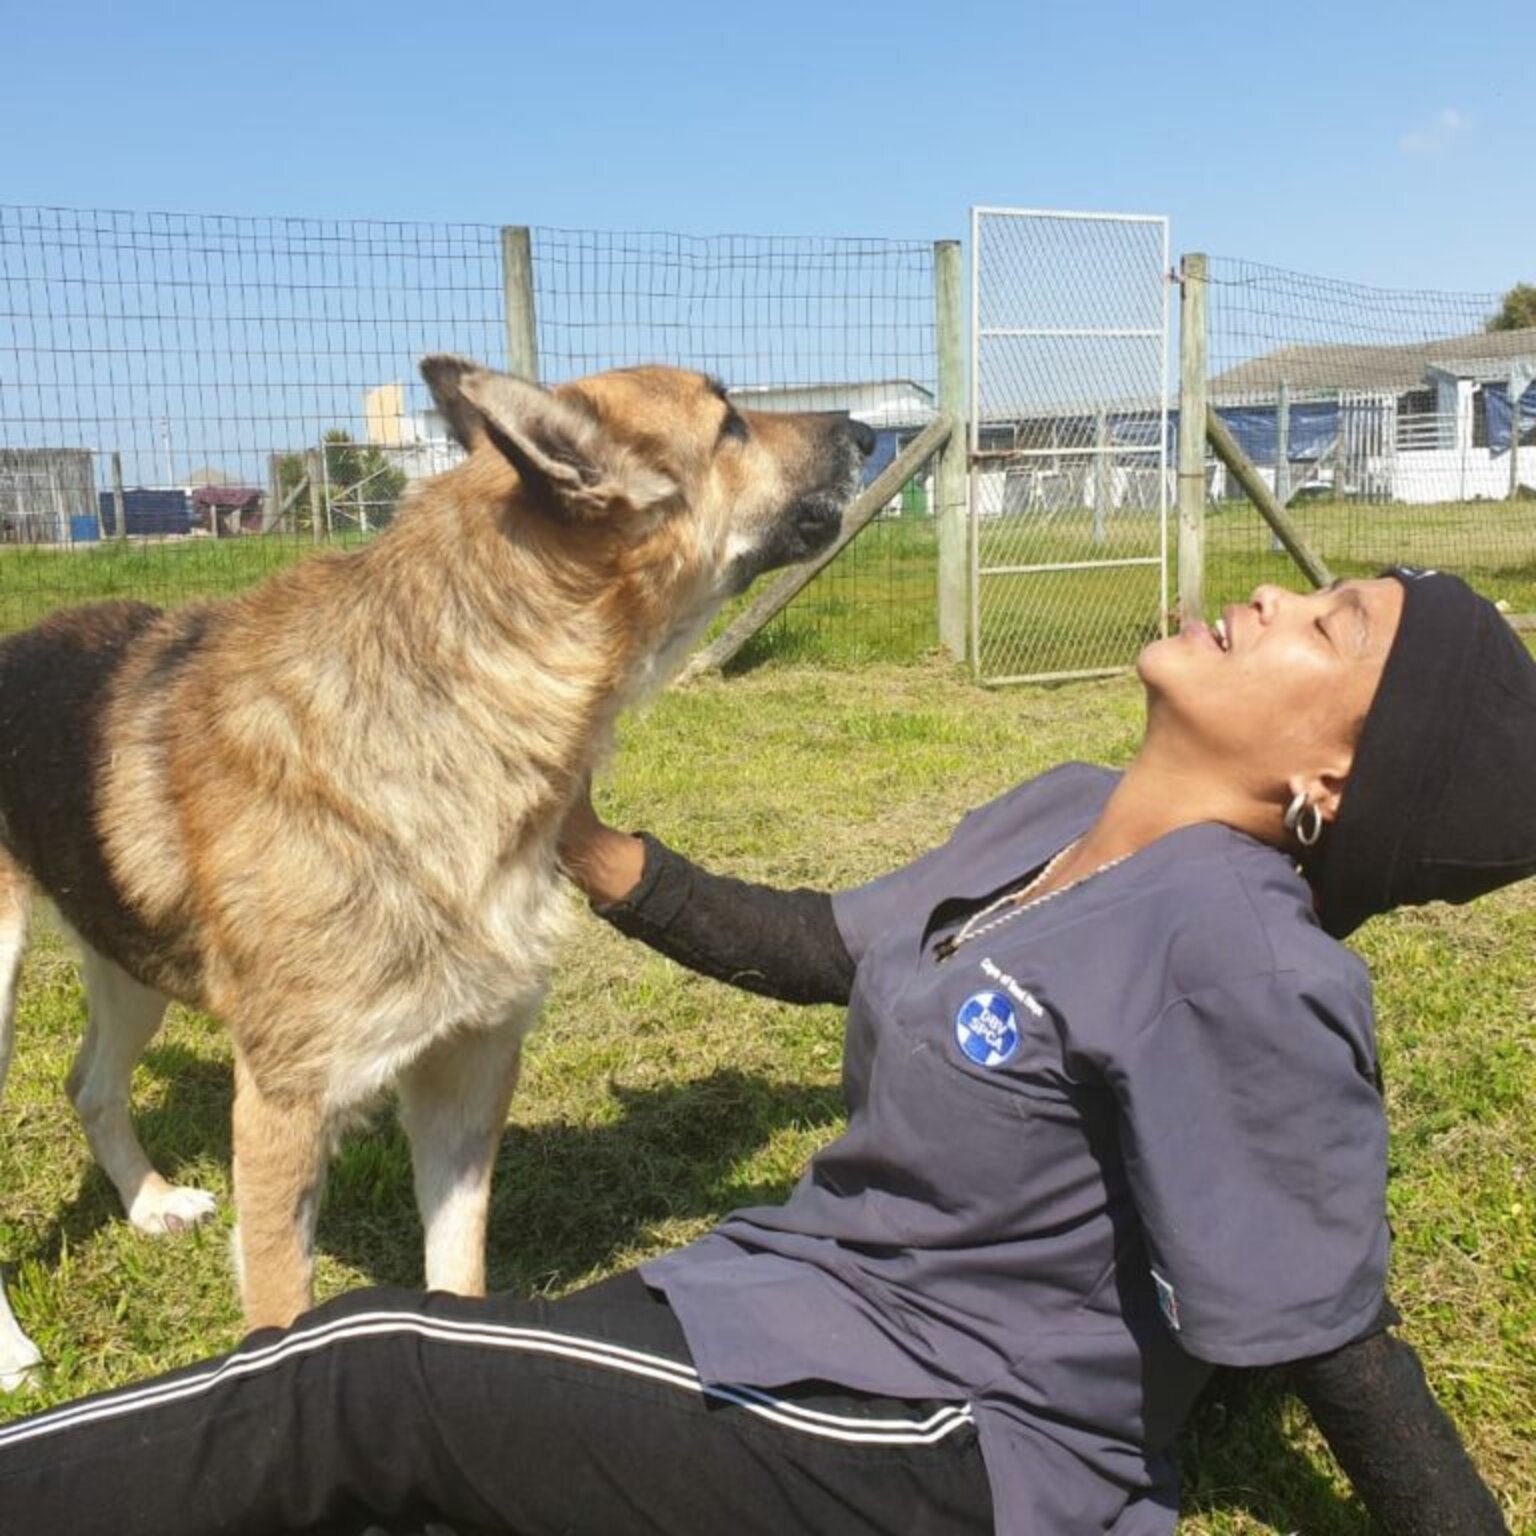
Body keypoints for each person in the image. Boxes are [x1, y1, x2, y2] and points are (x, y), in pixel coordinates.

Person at [0, 570, 1528, 1535]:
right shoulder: (1067, 810)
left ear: (1337, 776)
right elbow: (823, 950)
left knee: (368, 1370)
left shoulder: (1237, 954)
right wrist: (584, 847)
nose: (1271, 594)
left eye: (1331, 626)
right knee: (476, 1432)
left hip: (941, 1436)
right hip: (776, 1299)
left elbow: (1329, 1329)